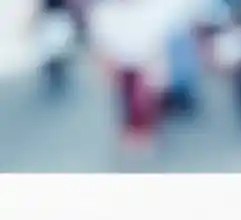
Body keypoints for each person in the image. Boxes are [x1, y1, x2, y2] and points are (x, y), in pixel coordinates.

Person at [88, 0, 172, 152]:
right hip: (121, 65)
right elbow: (101, 46)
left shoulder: (154, 10)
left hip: (147, 64)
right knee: (127, 101)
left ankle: (146, 129)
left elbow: (160, 42)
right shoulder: (105, 13)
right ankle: (132, 130)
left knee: (143, 99)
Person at [35, 0, 77, 96]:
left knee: (55, 52)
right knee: (56, 51)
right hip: (55, 18)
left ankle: (56, 78)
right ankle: (57, 78)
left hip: (53, 18)